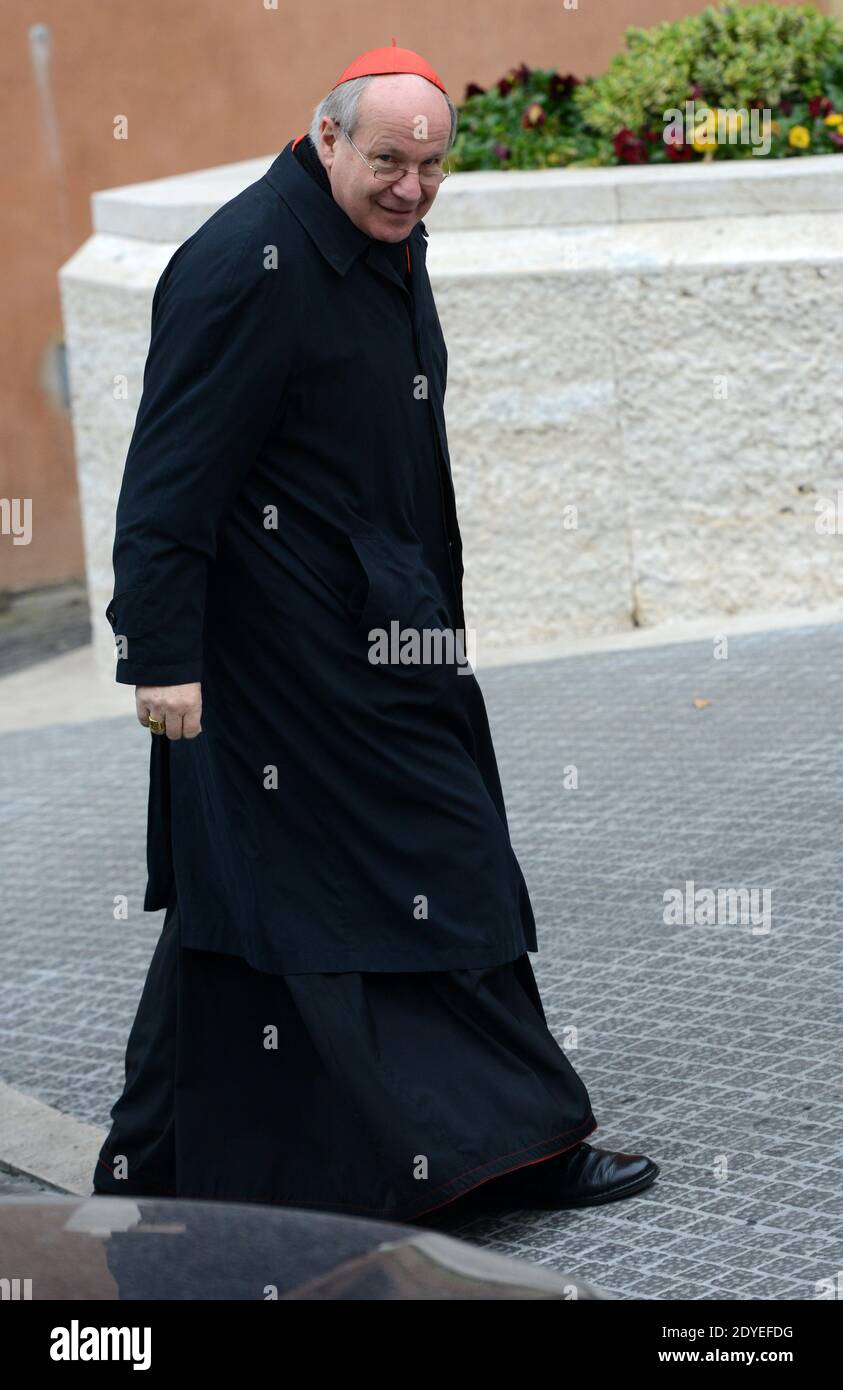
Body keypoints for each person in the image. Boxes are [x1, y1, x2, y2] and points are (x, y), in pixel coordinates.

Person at [93, 41, 659, 1223]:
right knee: (438, 865)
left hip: (381, 634)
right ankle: (519, 1149)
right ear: (327, 137)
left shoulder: (380, 237)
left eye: (434, 167)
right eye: (389, 162)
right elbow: (167, 483)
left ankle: (173, 1163)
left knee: (250, 902)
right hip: (273, 664)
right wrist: (162, 657)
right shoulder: (245, 264)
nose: (411, 186)